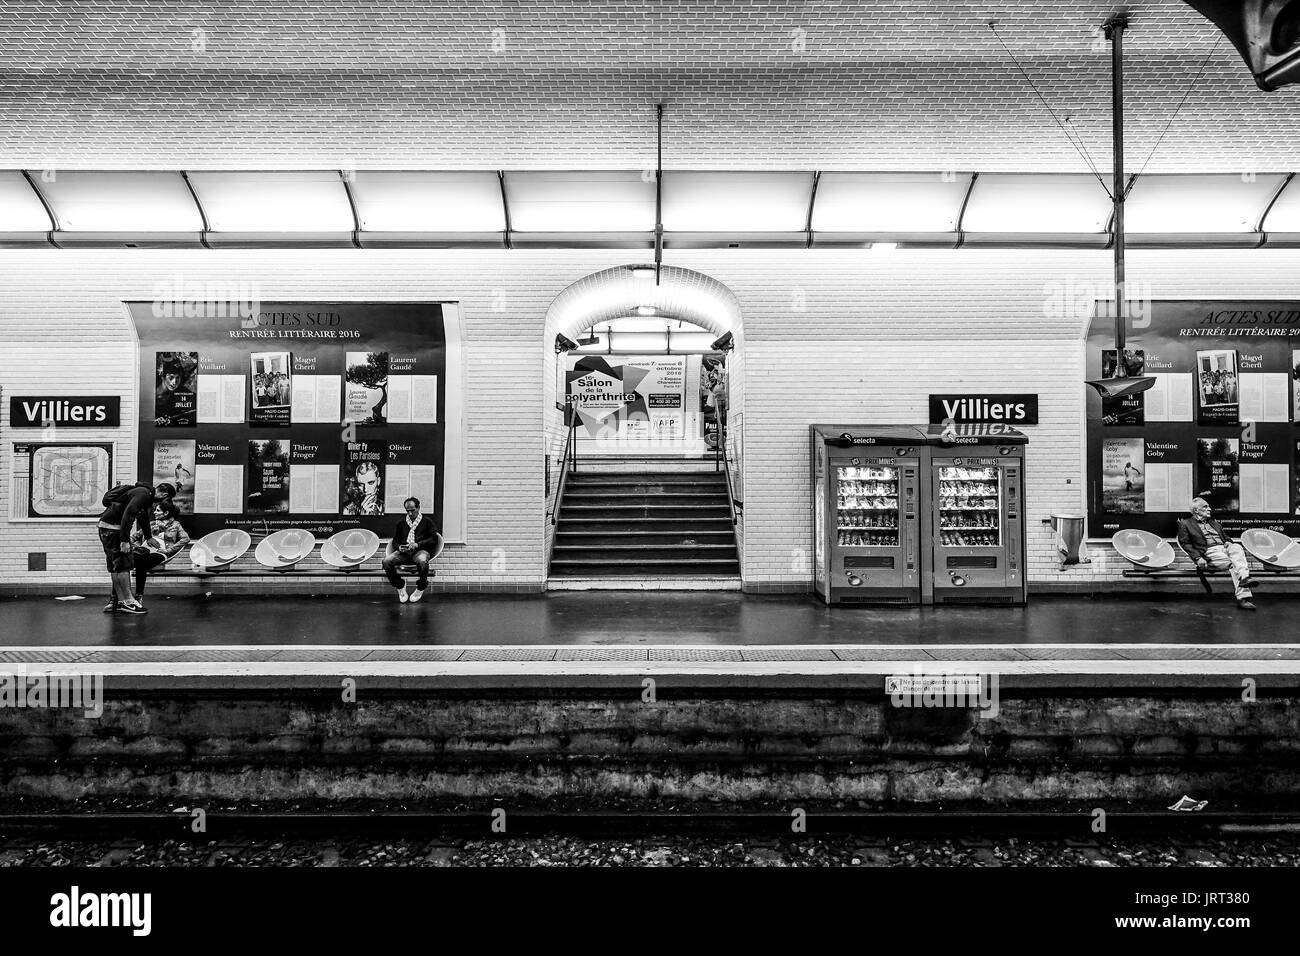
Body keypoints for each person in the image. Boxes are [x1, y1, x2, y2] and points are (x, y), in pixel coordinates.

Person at [97, 481, 176, 614]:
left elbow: (142, 516)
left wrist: (148, 536)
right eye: (166, 499)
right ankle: (129, 601)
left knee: (115, 566)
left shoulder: (142, 493)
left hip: (106, 527)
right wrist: (124, 540)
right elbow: (128, 513)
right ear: (164, 494)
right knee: (123, 565)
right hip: (115, 530)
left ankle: (121, 602)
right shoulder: (144, 494)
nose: (160, 504)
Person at [1177, 496, 1260, 611]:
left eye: (1209, 506)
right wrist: (1197, 559)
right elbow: (1185, 543)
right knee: (1234, 564)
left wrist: (1228, 543)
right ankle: (1243, 597)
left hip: (1225, 550)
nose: (1209, 509)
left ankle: (1244, 577)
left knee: (1236, 546)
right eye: (1205, 507)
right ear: (1196, 510)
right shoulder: (1185, 524)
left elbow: (1227, 538)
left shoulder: (1214, 523)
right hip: (1209, 552)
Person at [129, 500, 190, 605]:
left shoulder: (176, 525)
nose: (154, 513)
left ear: (166, 513)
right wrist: (134, 546)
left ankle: (136, 596)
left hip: (160, 553)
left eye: (157, 510)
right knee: (124, 560)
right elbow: (133, 537)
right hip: (143, 550)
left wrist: (169, 550)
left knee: (141, 563)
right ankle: (130, 597)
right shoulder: (151, 523)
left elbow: (185, 539)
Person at [381, 497, 440, 603]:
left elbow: (433, 539)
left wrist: (417, 544)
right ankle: (400, 585)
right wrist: (399, 547)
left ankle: (421, 587)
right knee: (386, 562)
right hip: (404, 552)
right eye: (407, 511)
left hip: (420, 551)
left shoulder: (427, 522)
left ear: (418, 508)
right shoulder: (401, 523)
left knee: (422, 561)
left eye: (412, 510)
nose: (410, 513)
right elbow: (395, 541)